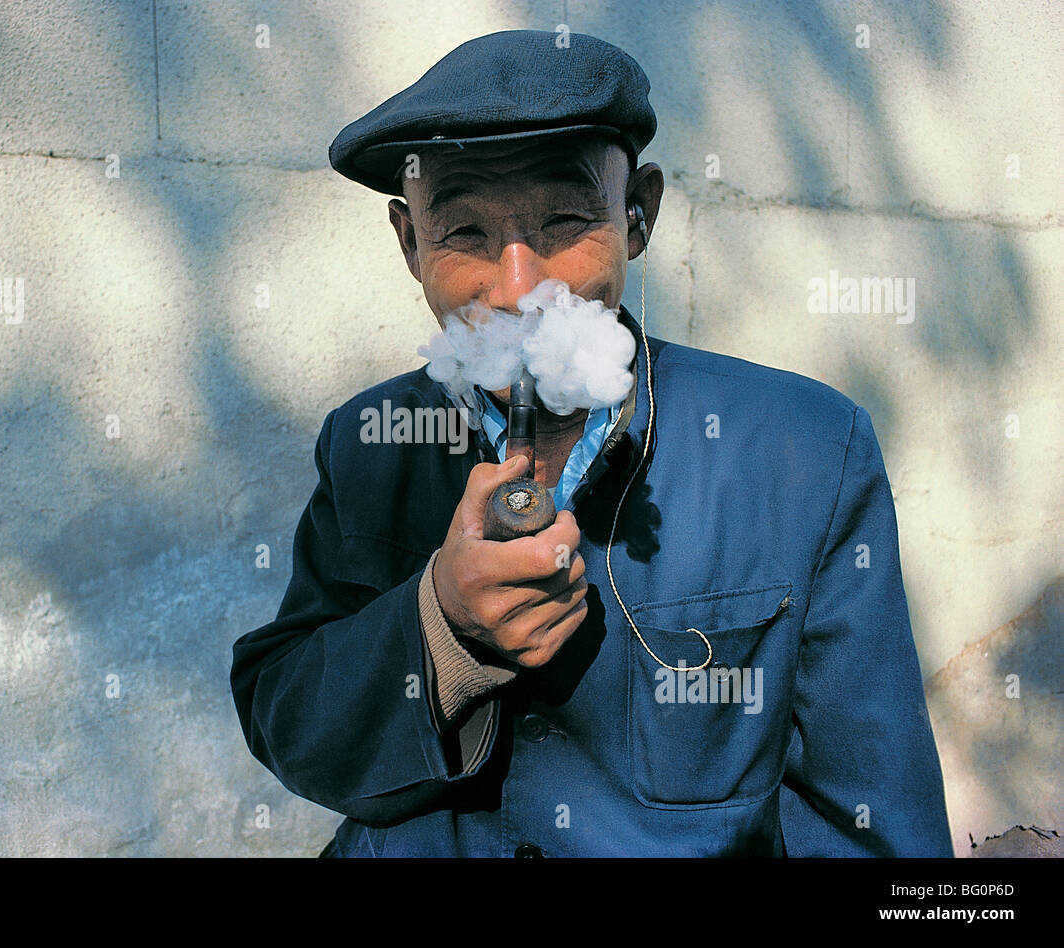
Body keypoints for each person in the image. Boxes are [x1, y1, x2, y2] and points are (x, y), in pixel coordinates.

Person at [230, 29, 953, 857]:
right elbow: (293, 728)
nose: (518, 290)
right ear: (409, 243)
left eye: (567, 221)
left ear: (636, 213)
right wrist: (441, 626)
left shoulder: (806, 450)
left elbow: (870, 825)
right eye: (463, 231)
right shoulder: (369, 443)